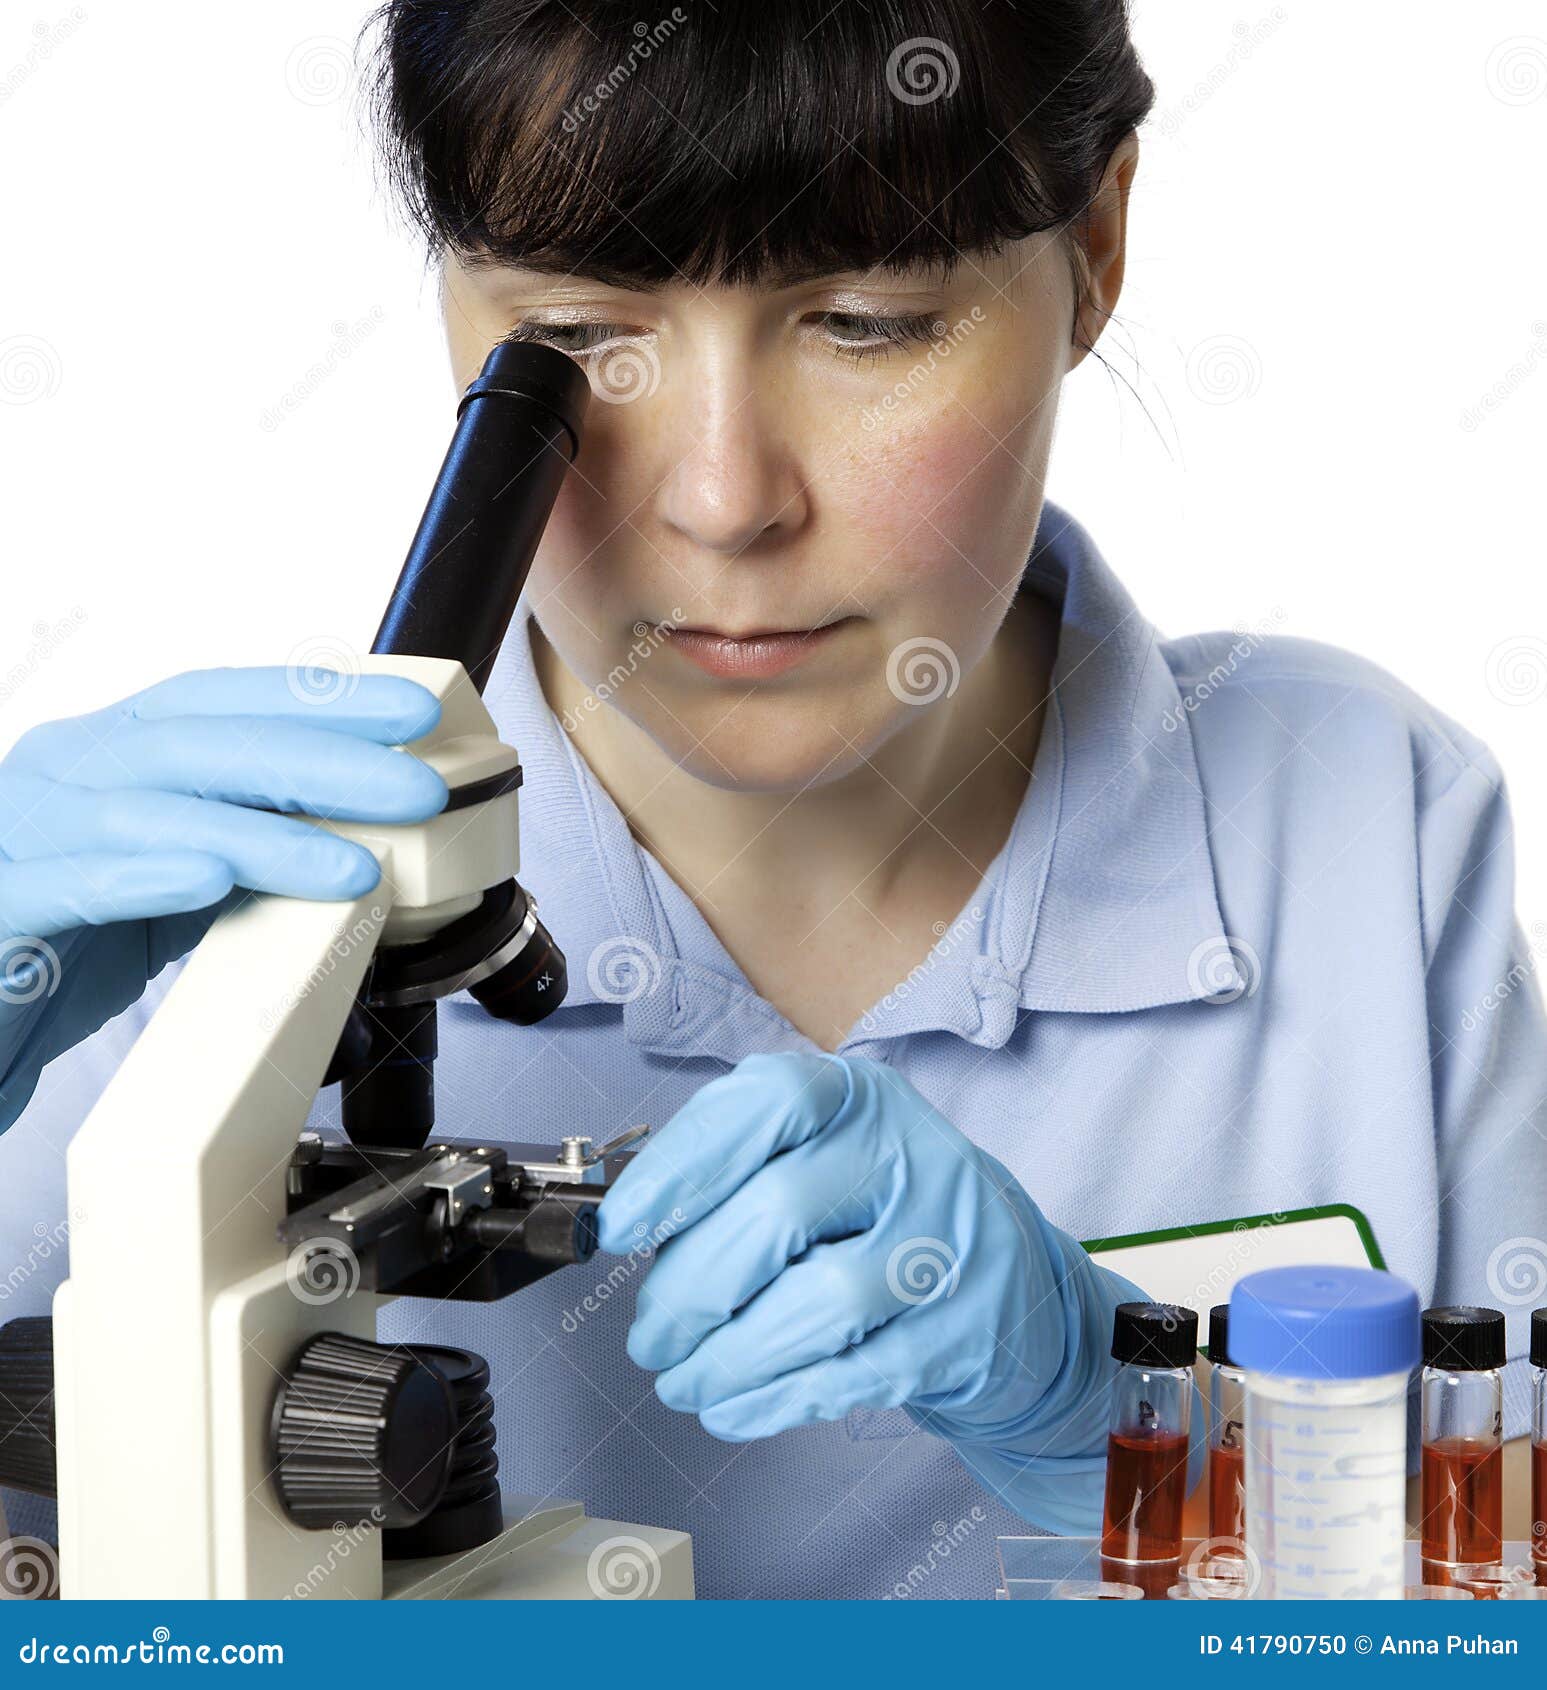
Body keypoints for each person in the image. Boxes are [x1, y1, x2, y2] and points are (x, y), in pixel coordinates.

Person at [2, 1, 1545, 1600]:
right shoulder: (185, 906)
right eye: (586, 334)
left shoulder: (1364, 829)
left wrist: (1130, 1427)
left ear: (1096, 246)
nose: (727, 501)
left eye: (868, 322)